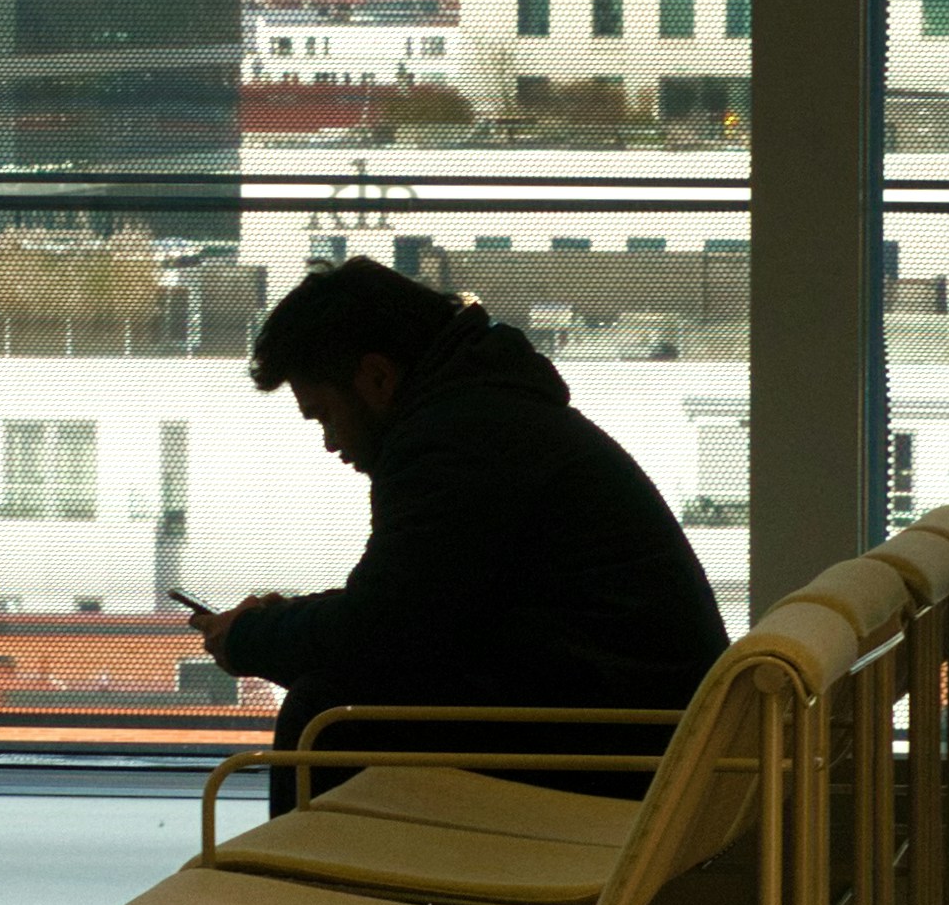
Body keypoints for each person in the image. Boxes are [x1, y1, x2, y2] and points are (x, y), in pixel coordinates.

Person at [201, 259, 725, 772]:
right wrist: (283, 623)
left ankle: (304, 862)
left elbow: (383, 630)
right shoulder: (487, 412)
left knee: (332, 713)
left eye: (326, 415)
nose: (330, 442)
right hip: (650, 727)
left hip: (621, 753)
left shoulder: (454, 442)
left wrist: (249, 638)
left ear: (377, 378)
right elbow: (414, 603)